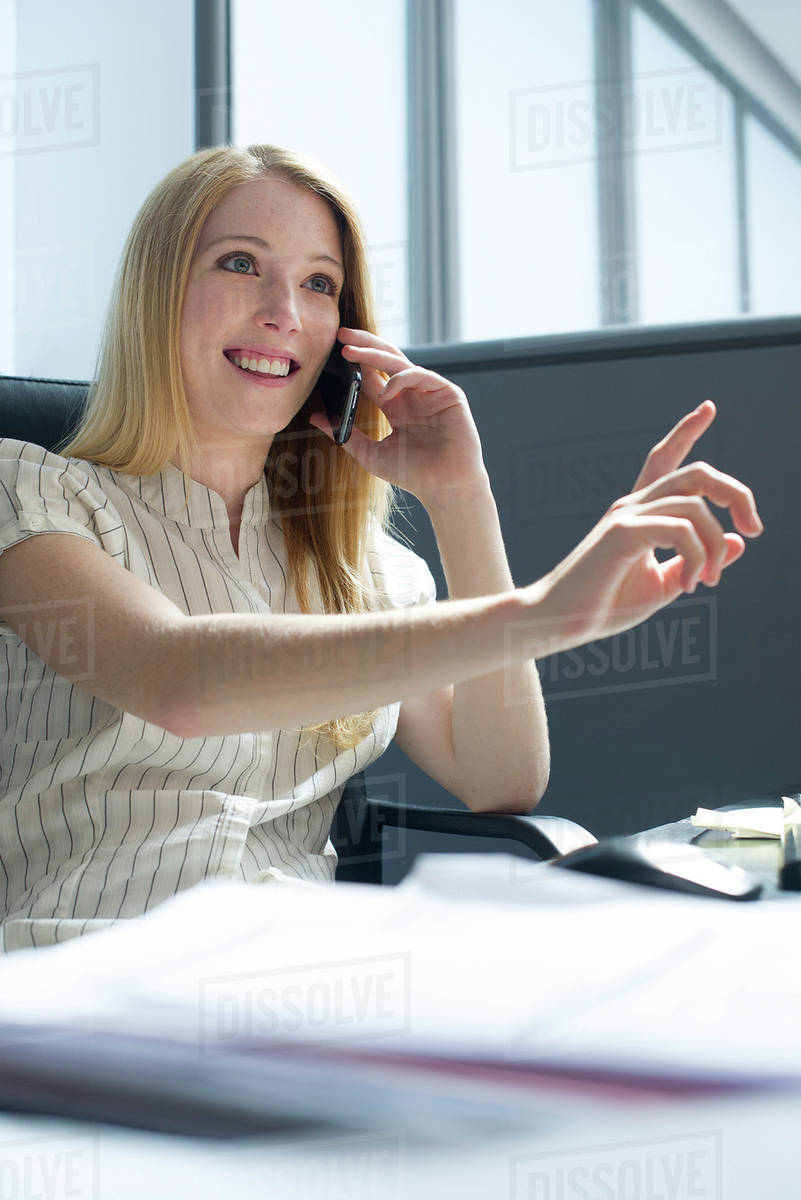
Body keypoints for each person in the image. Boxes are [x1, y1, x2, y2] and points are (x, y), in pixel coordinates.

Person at [0, 143, 763, 952]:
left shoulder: (359, 568)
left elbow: (499, 778)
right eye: (238, 263)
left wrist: (459, 495)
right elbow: (179, 680)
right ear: (156, 294)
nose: (284, 311)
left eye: (319, 283)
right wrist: (543, 613)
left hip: (295, 983)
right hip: (78, 979)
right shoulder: (35, 494)